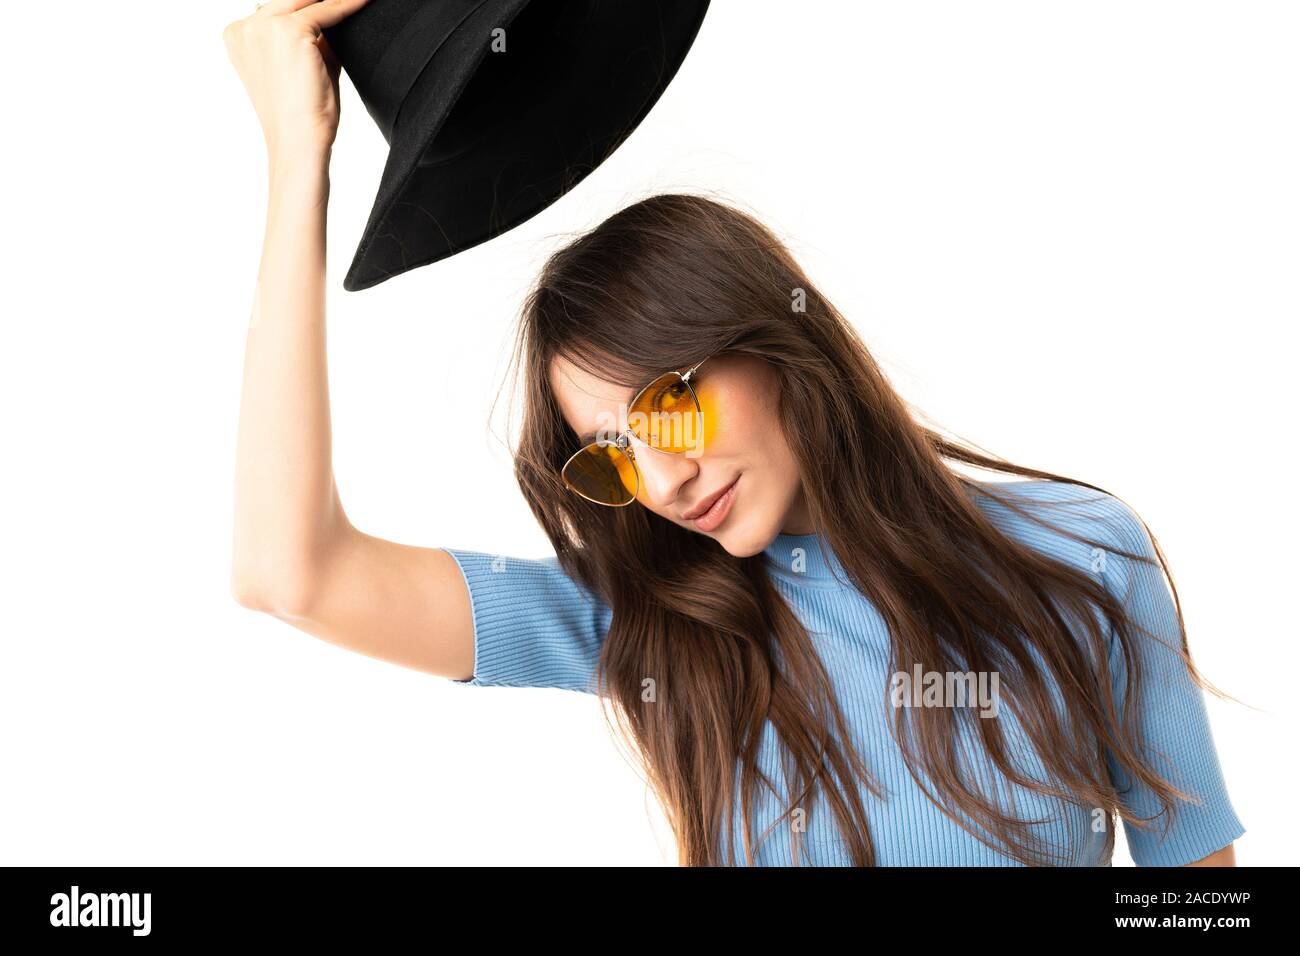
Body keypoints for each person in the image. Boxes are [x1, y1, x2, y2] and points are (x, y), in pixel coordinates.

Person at [223, 0, 1244, 866]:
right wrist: (296, 165)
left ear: (771, 342)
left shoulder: (1081, 557)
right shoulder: (651, 623)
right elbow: (288, 573)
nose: (663, 479)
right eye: (615, 453)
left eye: (668, 406)